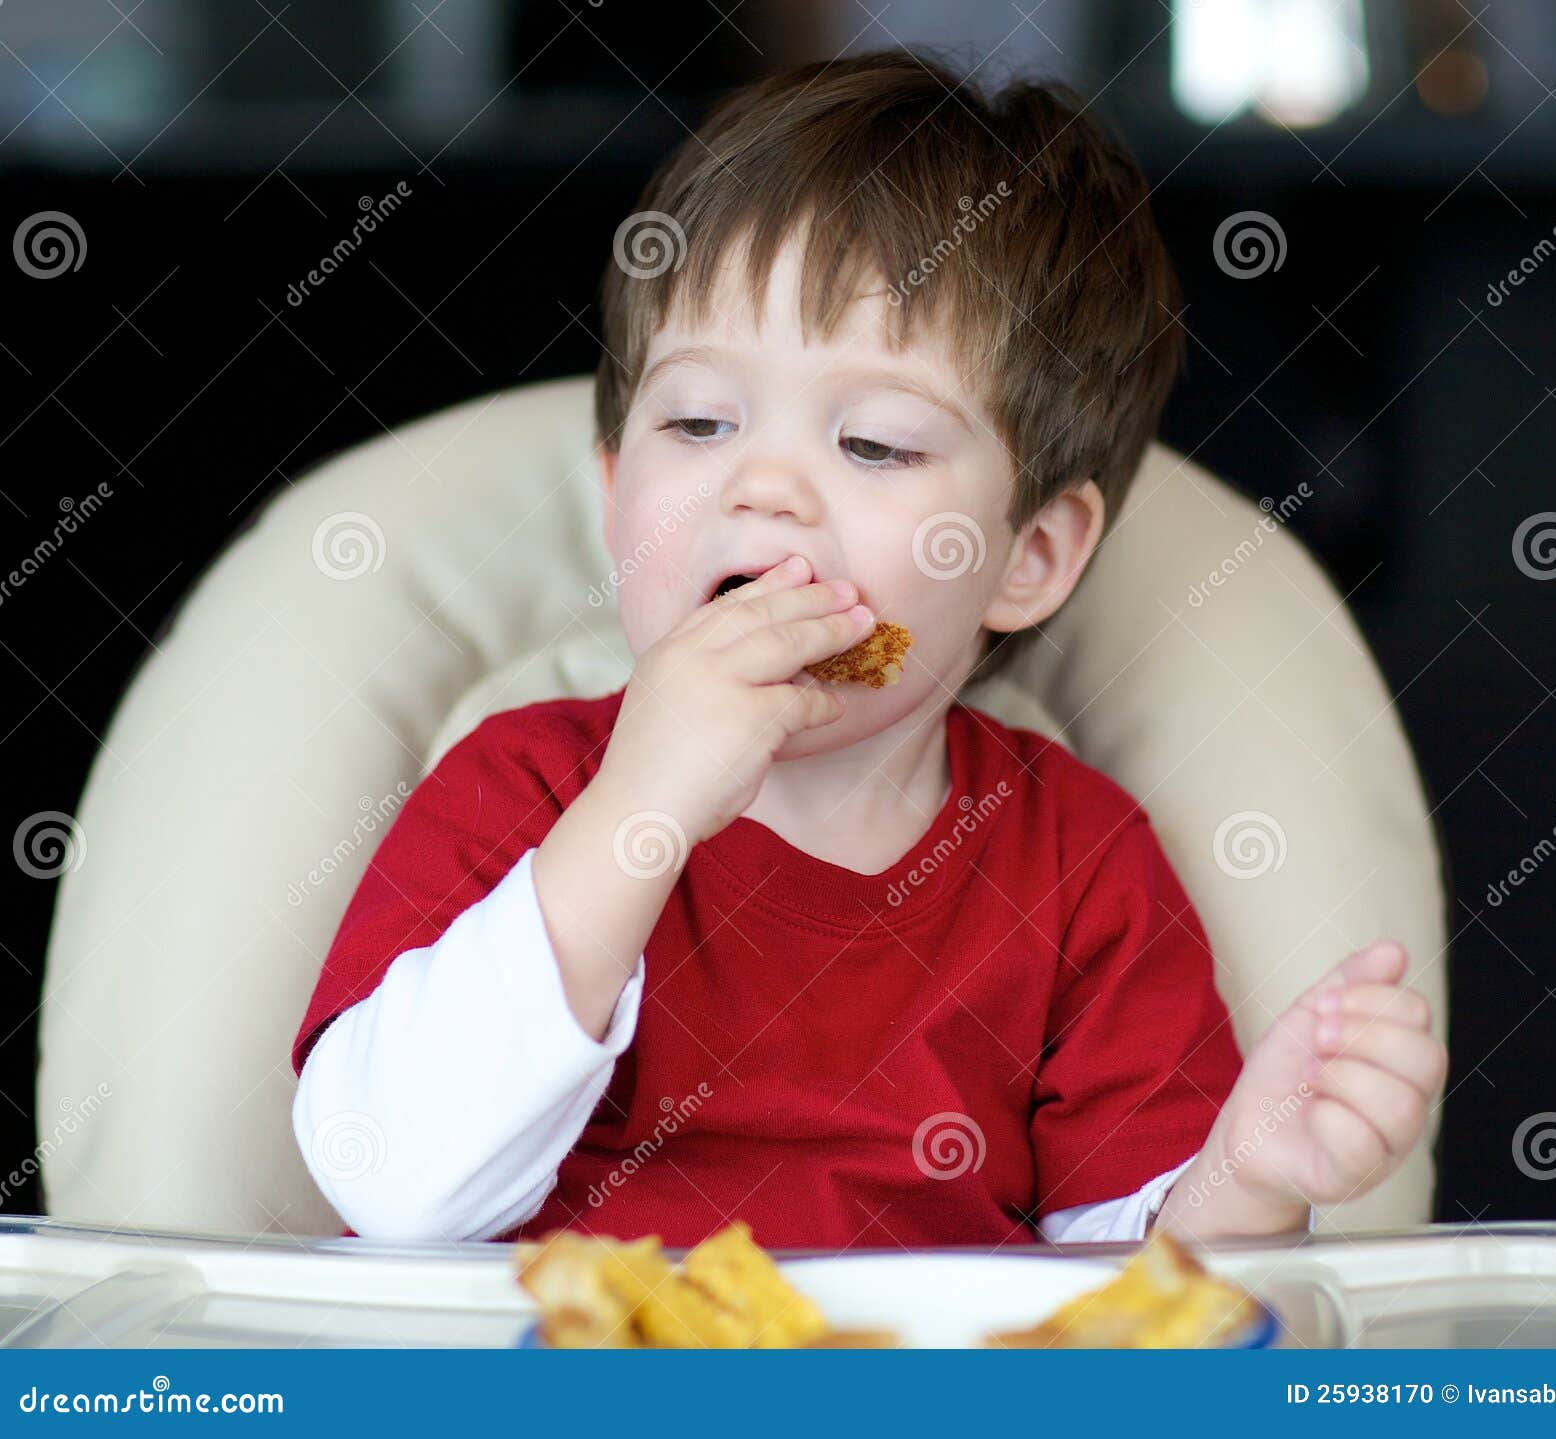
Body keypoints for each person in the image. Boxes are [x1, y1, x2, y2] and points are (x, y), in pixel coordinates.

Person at [290, 51, 1445, 1249]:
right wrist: (637, 812)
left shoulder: (1076, 865)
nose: (764, 485)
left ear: (1029, 555)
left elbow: (1131, 1292)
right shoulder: (520, 788)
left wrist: (1251, 1178)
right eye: (699, 421)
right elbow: (389, 1185)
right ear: (617, 494)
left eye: (875, 444)